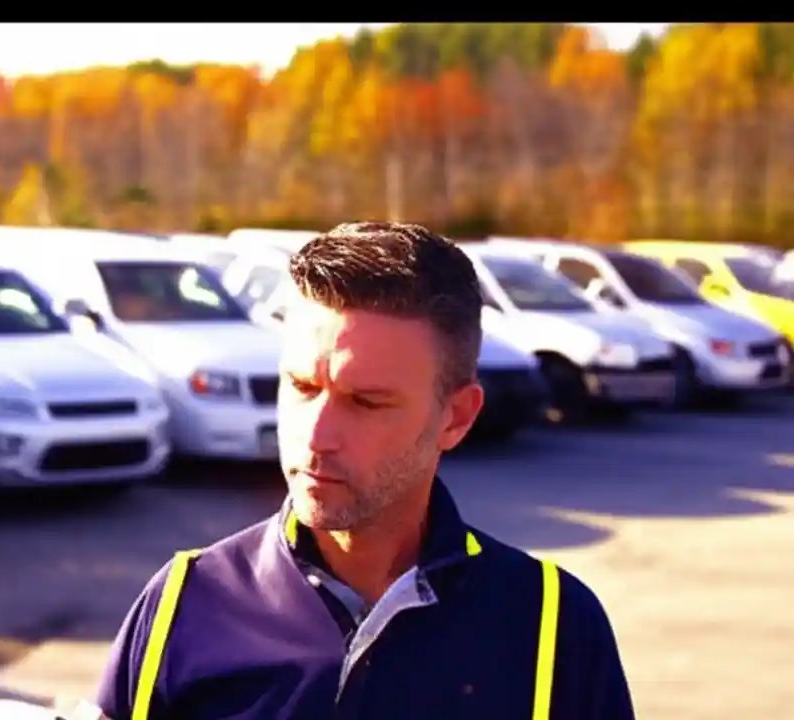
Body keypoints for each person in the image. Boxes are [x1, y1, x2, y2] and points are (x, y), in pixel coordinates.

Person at [94, 221, 635, 719]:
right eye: (302, 388)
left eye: (367, 403)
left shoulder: (550, 626)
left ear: (457, 417)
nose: (317, 435)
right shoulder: (185, 604)